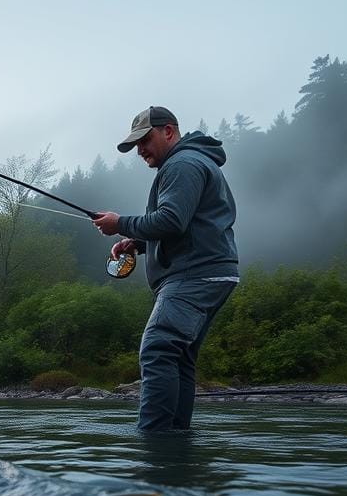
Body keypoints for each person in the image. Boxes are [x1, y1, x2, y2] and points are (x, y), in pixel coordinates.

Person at [90, 106, 239, 432]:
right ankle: (174, 446)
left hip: (194, 274)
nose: (140, 150)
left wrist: (120, 224)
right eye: (135, 145)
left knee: (158, 349)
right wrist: (138, 242)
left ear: (168, 131)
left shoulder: (181, 165)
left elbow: (171, 220)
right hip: (212, 270)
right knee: (179, 359)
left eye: (145, 140)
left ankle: (154, 446)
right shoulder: (192, 162)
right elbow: (188, 225)